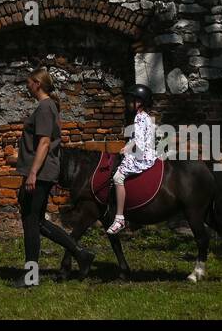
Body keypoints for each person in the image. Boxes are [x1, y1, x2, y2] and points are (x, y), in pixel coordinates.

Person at [15, 67, 94, 287]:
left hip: (40, 173)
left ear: (37, 84)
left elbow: (44, 142)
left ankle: (31, 276)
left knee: (31, 222)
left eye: (29, 82)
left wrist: (32, 173)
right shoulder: (48, 107)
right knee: (36, 222)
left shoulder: (45, 107)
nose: (27, 86)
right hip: (42, 172)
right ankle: (81, 254)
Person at [106, 83, 156, 235]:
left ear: (139, 102)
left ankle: (120, 218)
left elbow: (139, 142)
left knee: (118, 177)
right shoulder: (144, 116)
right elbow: (136, 138)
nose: (128, 103)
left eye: (131, 100)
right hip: (146, 151)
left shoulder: (139, 118)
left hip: (142, 155)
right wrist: (127, 146)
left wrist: (128, 151)